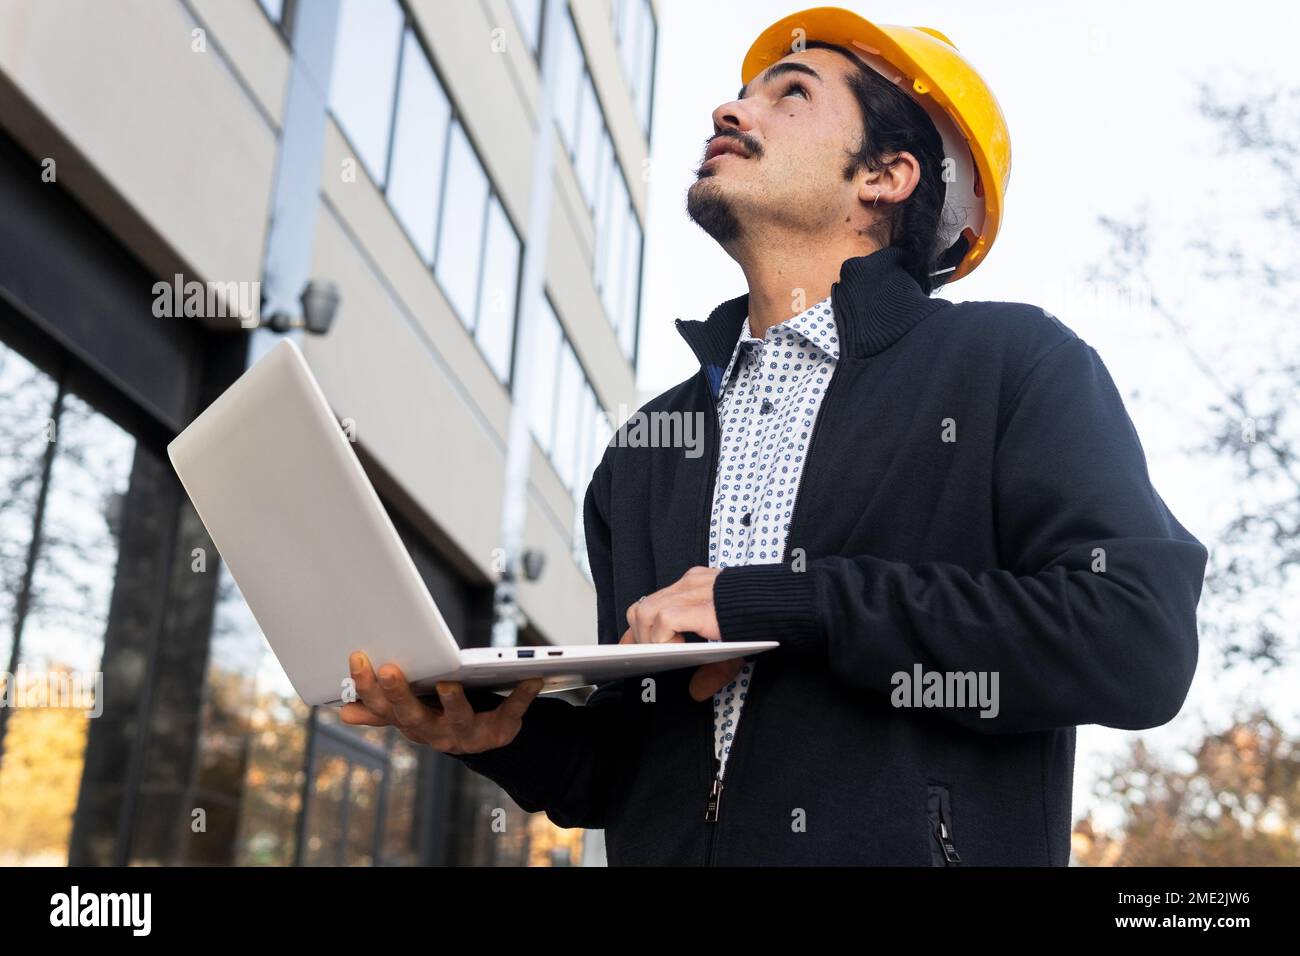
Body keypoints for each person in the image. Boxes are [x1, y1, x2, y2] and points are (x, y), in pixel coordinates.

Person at [341, 7, 1208, 866]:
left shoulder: (1012, 365)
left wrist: (788, 604)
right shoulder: (647, 447)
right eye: (738, 95)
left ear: (887, 175)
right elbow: (633, 772)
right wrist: (496, 738)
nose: (729, 112)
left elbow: (1136, 639)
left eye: (791, 93)